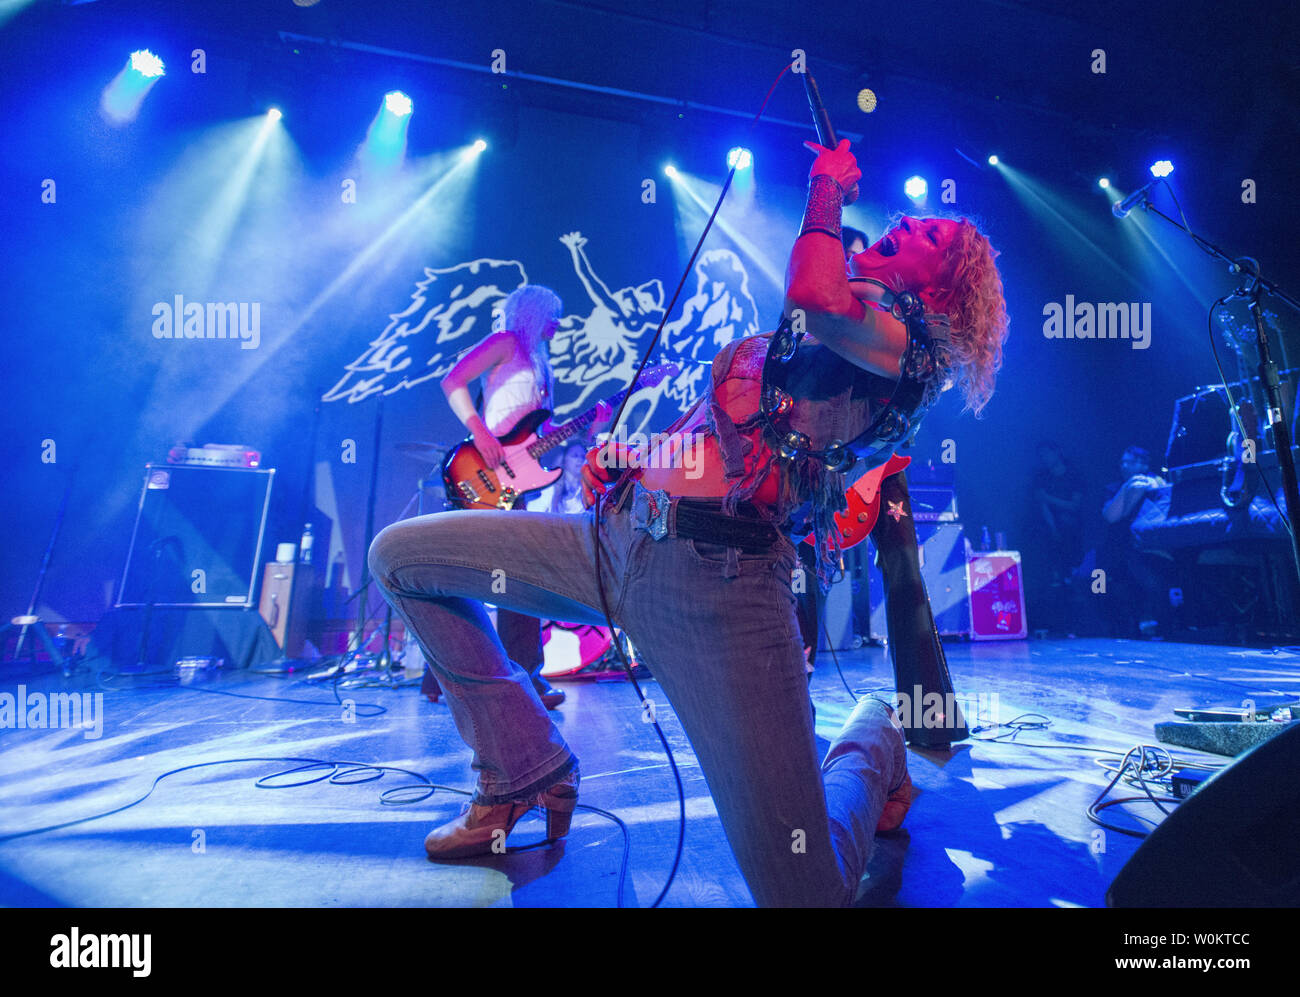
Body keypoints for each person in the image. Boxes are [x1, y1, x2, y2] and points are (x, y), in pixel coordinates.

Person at [368, 138, 1008, 906]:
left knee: (804, 893)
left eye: (929, 237)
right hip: (614, 540)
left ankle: (873, 736)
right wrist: (631, 456)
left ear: (939, 290)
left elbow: (816, 290)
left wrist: (825, 189)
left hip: (722, 589)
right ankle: (519, 769)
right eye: (914, 221)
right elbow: (720, 432)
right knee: (401, 557)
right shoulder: (811, 341)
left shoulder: (902, 352)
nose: (910, 225)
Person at [437, 284, 568, 710]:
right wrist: (480, 432)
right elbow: (453, 380)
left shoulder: (539, 362)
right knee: (464, 574)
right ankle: (444, 676)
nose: (559, 323)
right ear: (533, 313)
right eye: (553, 313)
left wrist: (593, 420)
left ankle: (526, 675)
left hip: (515, 481)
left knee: (519, 578)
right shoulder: (506, 342)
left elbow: (535, 433)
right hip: (483, 469)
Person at [1100, 446, 1170, 636]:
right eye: (1121, 462)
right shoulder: (1114, 488)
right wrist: (1127, 489)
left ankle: (1156, 624)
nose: (1122, 466)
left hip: (1146, 547)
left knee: (1149, 582)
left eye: (1128, 462)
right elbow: (1110, 516)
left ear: (1143, 464)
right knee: (1093, 581)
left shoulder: (1158, 482)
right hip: (1113, 548)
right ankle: (1111, 625)